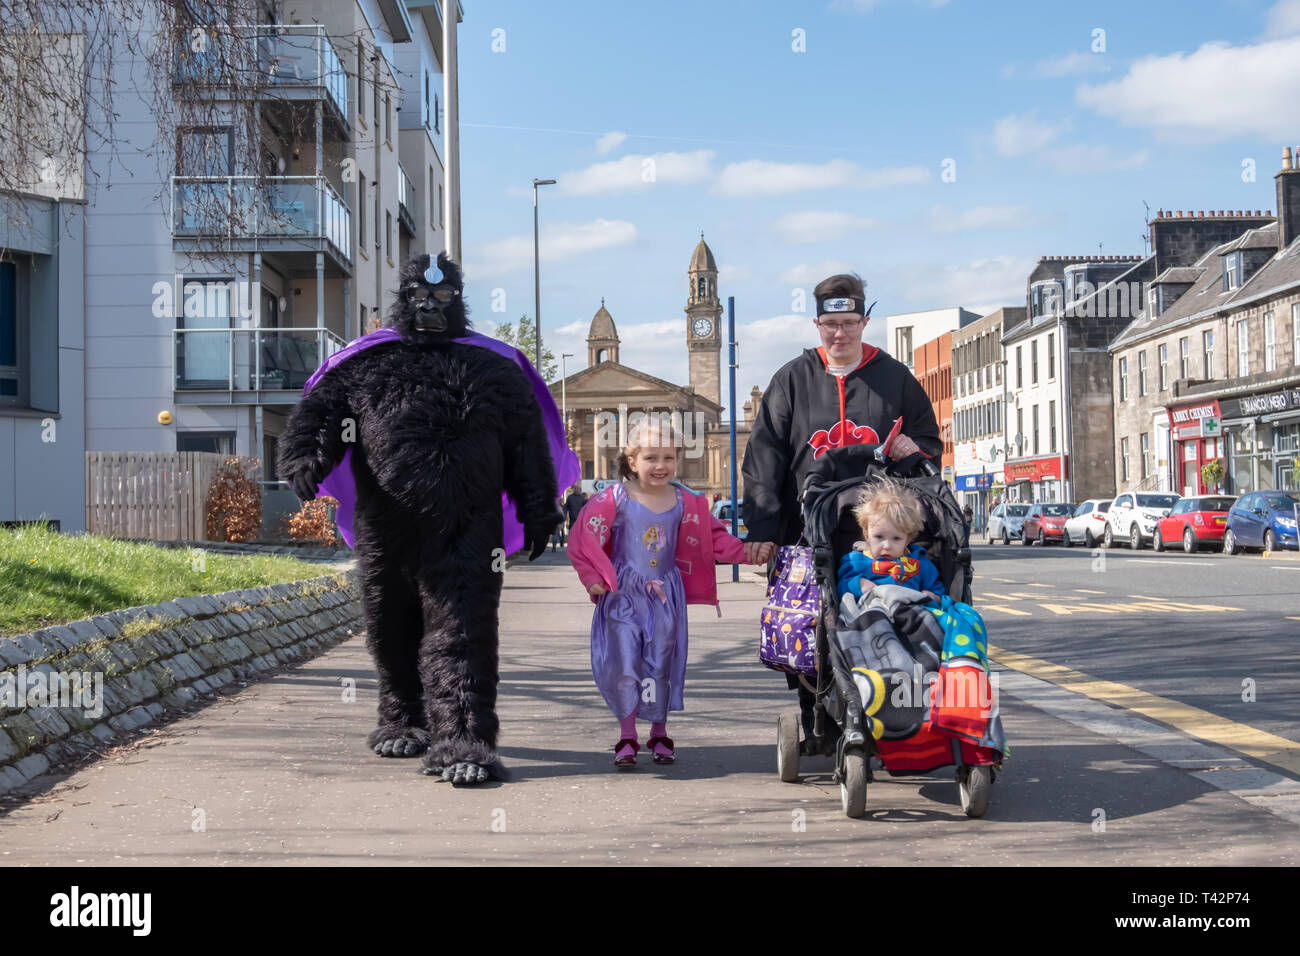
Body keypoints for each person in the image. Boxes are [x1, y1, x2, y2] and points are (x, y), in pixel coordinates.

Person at [742, 272, 943, 744]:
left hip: (885, 530)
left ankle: (884, 710)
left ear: (864, 320)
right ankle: (816, 711)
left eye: (850, 322)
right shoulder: (792, 379)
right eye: (830, 324)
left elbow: (928, 444)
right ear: (817, 323)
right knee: (809, 622)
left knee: (880, 615)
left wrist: (914, 448)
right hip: (805, 529)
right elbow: (764, 456)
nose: (840, 333)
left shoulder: (895, 378)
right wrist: (763, 527)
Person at [568, 423, 775, 769]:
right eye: (651, 457)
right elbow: (582, 540)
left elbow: (715, 540)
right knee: (624, 662)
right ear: (632, 461)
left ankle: (659, 732)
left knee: (660, 662)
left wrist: (749, 552)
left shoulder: (686, 501)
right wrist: (592, 577)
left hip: (665, 595)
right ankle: (627, 734)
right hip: (622, 595)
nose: (660, 464)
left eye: (668, 457)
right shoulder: (612, 499)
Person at [838, 480, 946, 604]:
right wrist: (858, 584)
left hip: (910, 611)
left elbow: (936, 586)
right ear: (867, 535)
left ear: (908, 538)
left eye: (896, 538)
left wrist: (934, 596)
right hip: (871, 611)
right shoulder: (856, 561)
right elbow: (841, 586)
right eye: (879, 537)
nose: (887, 546)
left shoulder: (919, 563)